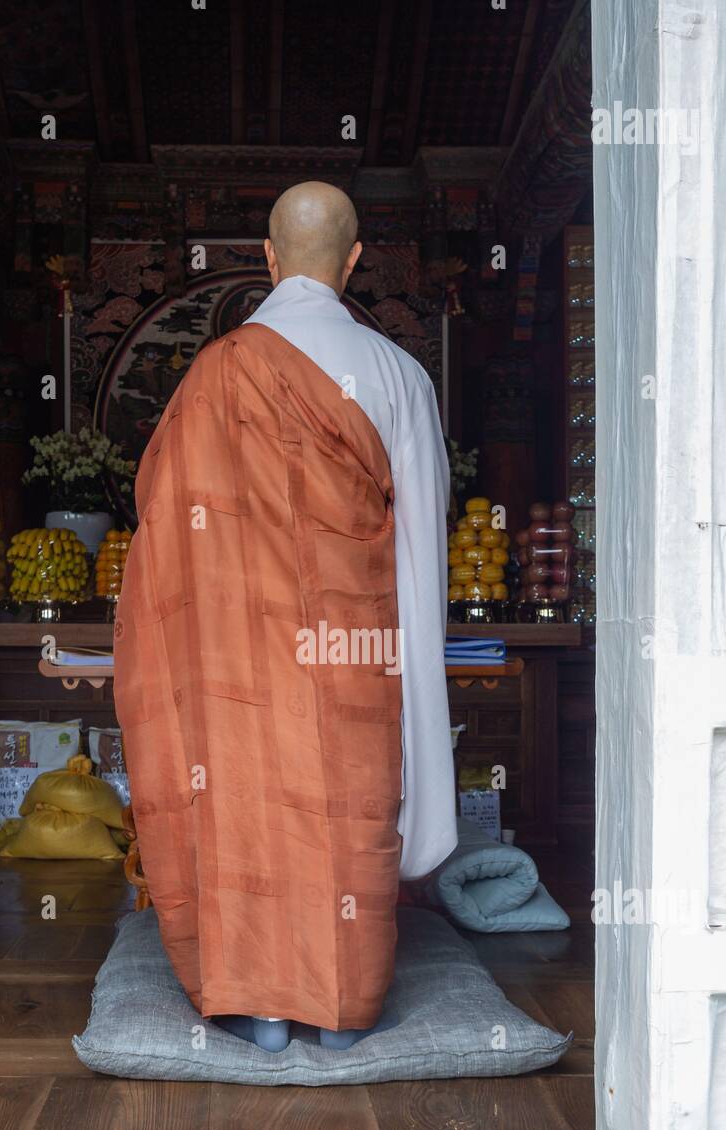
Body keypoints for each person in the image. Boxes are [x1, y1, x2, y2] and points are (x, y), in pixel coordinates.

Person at [114, 181, 456, 1051]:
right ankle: (340, 1011)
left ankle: (257, 1003)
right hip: (355, 659)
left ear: (267, 258)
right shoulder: (399, 374)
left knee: (243, 802)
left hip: (236, 662)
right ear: (352, 262)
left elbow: (164, 533)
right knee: (343, 813)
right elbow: (422, 561)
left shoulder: (211, 375)